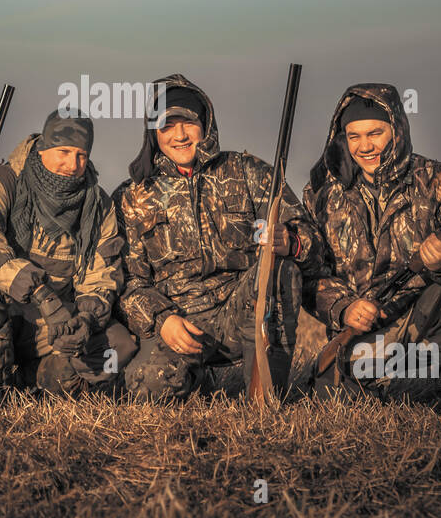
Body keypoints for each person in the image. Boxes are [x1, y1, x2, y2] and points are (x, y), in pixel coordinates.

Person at [115, 75, 316, 400]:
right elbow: (127, 281)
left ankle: (266, 393)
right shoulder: (131, 196)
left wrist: (291, 242)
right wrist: (162, 319)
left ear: (205, 124)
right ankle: (198, 378)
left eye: (189, 122)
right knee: (148, 390)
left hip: (241, 315)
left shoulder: (248, 171)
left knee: (281, 271)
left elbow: (311, 239)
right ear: (153, 131)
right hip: (178, 324)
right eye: (167, 125)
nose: (179, 135)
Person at [302, 84, 441, 412]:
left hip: (423, 318)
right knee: (330, 402)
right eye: (354, 136)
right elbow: (308, 274)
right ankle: (375, 382)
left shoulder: (440, 180)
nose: (365, 146)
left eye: (375, 133)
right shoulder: (320, 194)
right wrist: (344, 308)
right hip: (360, 331)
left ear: (397, 130)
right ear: (341, 138)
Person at [0, 109, 135, 397]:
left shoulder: (98, 203)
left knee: (119, 347)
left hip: (57, 326)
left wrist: (84, 321)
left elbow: (102, 274)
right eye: (63, 151)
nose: (72, 164)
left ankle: (38, 380)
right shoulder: (3, 181)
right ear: (44, 146)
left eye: (81, 155)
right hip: (8, 314)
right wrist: (44, 299)